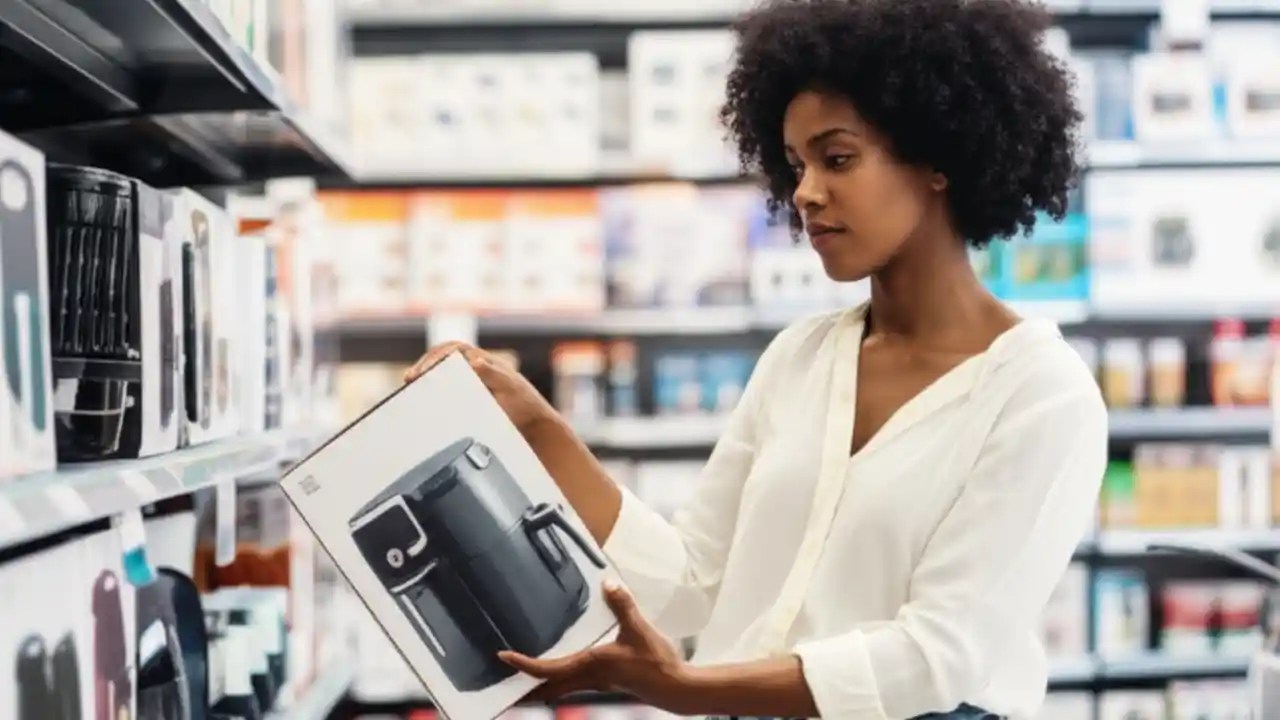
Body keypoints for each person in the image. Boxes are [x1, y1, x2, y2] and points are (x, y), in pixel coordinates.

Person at [404, 0, 1107, 717]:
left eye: (837, 159)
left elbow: (937, 655)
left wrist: (685, 689)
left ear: (938, 156)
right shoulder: (800, 358)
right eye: (796, 164)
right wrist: (542, 432)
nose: (805, 192)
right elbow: (689, 583)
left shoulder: (1042, 395)